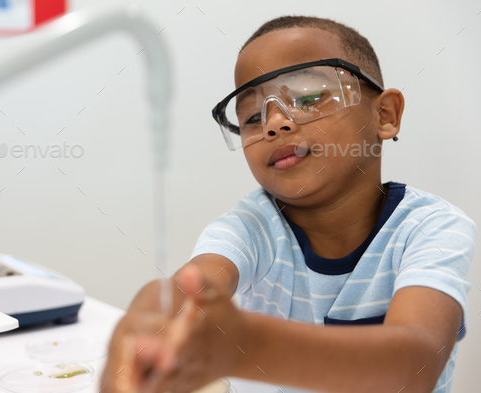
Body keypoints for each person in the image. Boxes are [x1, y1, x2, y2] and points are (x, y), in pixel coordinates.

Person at [100, 15, 476, 393]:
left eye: (309, 97)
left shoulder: (432, 229)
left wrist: (245, 344)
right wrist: (140, 327)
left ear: (385, 115)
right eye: (251, 116)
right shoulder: (250, 228)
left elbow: (414, 367)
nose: (274, 124)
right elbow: (188, 288)